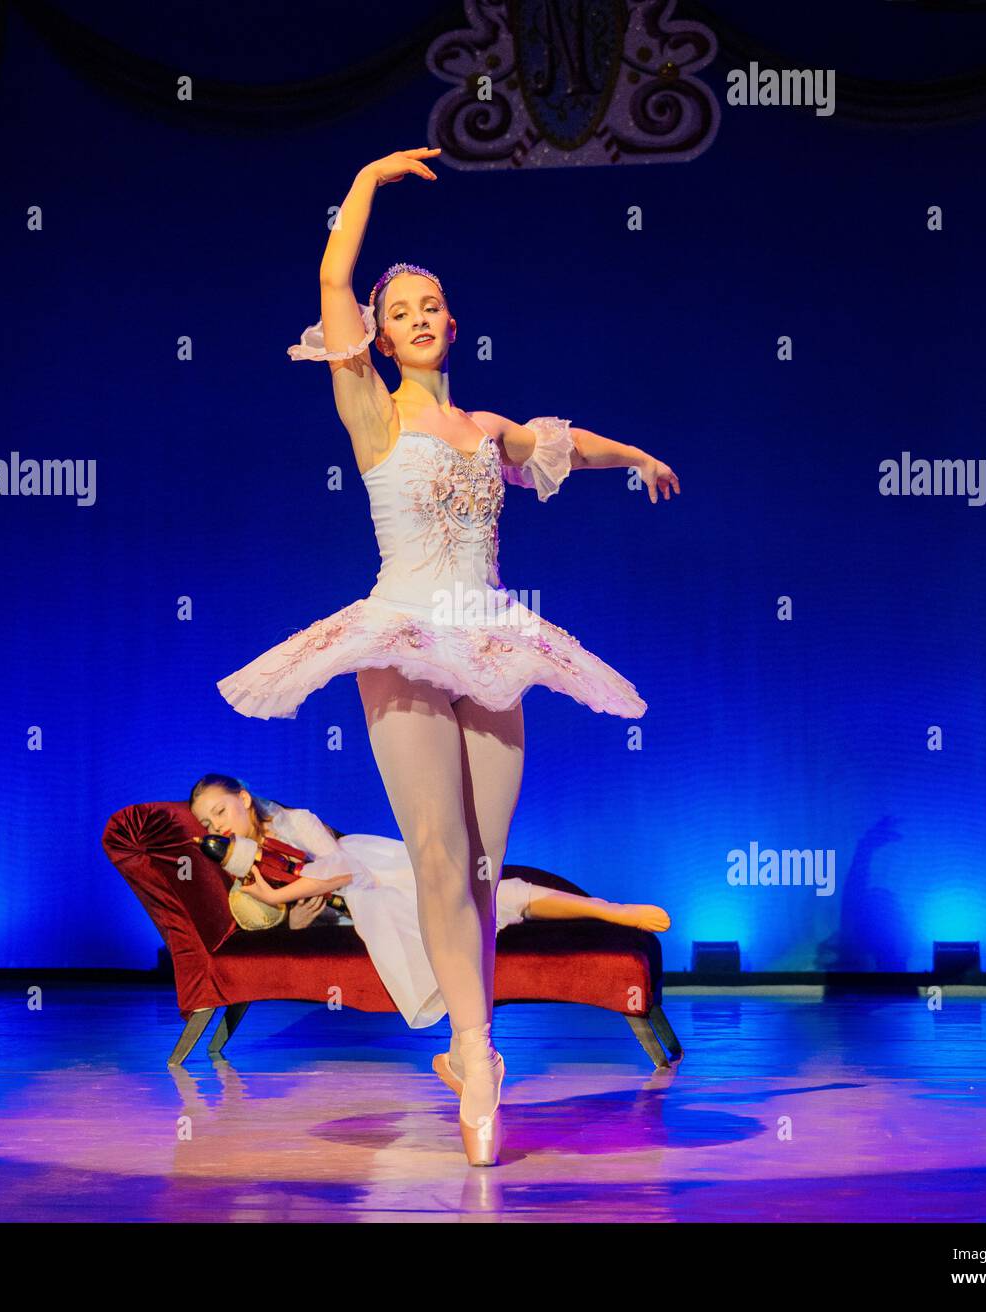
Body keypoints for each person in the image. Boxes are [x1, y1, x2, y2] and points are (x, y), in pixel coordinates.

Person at [215, 147, 680, 1164]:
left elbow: (564, 443)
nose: (418, 317)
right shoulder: (372, 411)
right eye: (402, 310)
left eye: (431, 305)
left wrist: (637, 456)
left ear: (451, 325)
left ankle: (471, 1044)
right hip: (404, 630)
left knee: (478, 861)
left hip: (495, 638)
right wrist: (367, 183)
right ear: (379, 337)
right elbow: (334, 280)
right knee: (433, 850)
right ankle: (477, 1051)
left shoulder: (485, 427)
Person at [189, 773, 671, 1032]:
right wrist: (292, 917)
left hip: (375, 874)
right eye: (209, 825)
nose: (219, 826)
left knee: (490, 896)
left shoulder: (297, 823)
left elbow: (342, 871)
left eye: (221, 811)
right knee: (468, 913)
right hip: (350, 908)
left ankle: (608, 910)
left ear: (244, 799)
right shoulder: (247, 863)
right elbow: (293, 922)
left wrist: (281, 893)